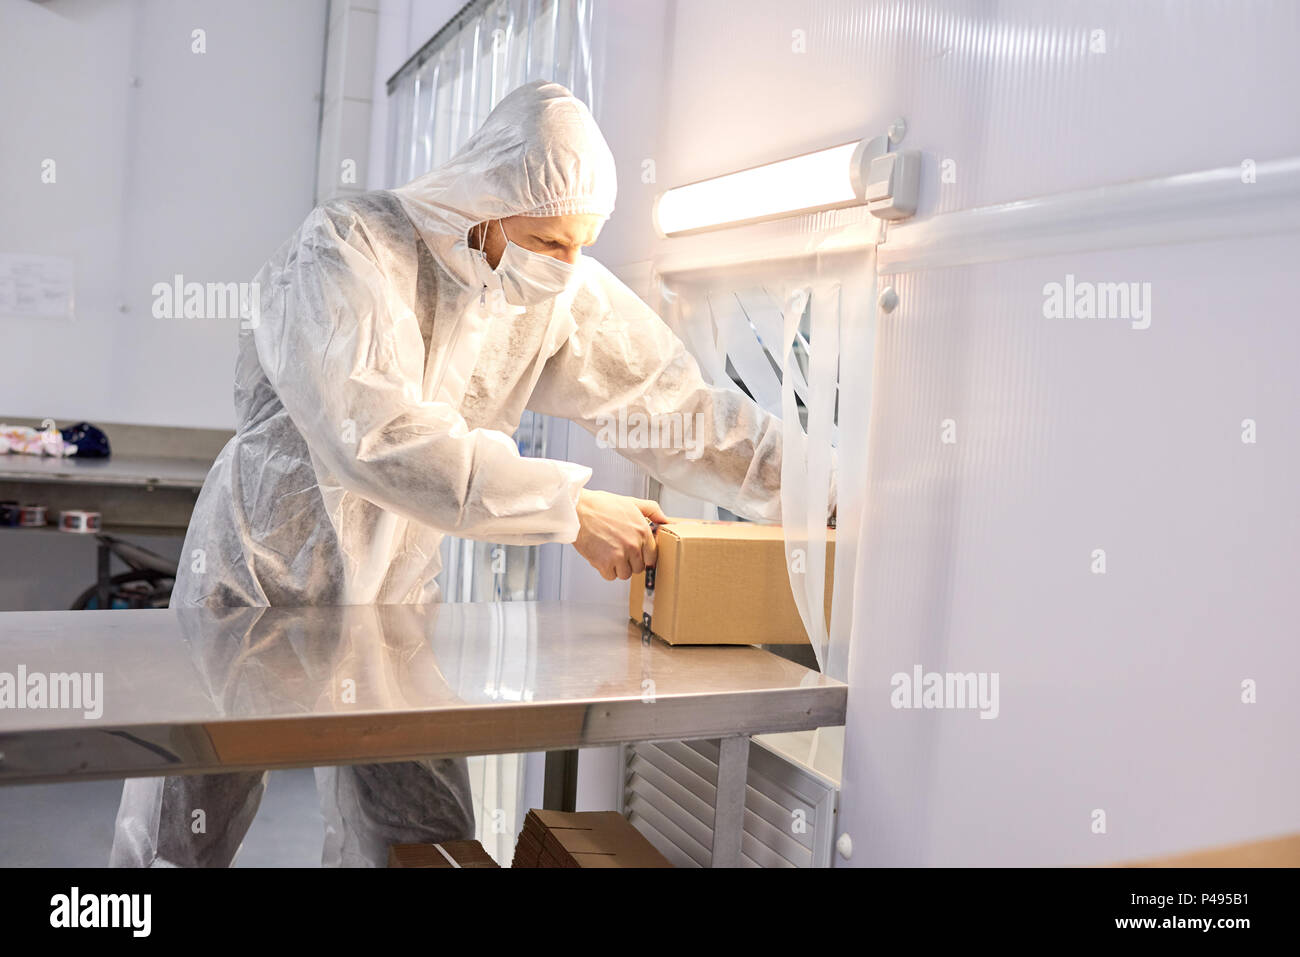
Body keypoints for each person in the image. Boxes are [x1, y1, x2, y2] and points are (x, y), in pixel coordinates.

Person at [111, 80, 794, 867]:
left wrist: (820, 488)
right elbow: (371, 437)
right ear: (486, 203)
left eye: (584, 242)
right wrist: (569, 509)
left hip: (393, 595)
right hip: (259, 578)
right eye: (549, 241)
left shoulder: (550, 290)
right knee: (179, 835)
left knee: (425, 837)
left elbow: (673, 407)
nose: (568, 265)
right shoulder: (348, 245)